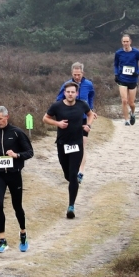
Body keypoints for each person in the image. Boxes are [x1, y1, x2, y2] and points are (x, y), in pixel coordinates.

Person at [0, 106, 34, 253]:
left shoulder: (17, 133)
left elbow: (30, 152)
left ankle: (23, 234)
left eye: (0, 118)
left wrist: (16, 155)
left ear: (7, 117)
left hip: (14, 174)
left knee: (17, 206)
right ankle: (2, 241)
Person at [44, 82, 91, 218]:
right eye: (68, 92)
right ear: (64, 93)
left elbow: (90, 114)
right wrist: (57, 123)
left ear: (77, 93)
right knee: (67, 175)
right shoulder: (57, 106)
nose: (70, 94)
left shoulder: (82, 104)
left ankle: (71, 206)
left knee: (72, 175)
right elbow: (45, 118)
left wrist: (88, 125)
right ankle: (73, 180)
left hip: (77, 144)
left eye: (73, 92)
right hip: (62, 144)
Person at [55, 62, 96, 180]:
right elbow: (58, 101)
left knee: (82, 144)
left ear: (82, 73)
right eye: (74, 74)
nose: (77, 77)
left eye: (78, 74)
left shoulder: (88, 84)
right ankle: (71, 168)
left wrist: (91, 110)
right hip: (70, 120)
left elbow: (91, 97)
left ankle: (80, 172)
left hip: (83, 120)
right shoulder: (67, 86)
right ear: (72, 73)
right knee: (71, 145)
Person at [113, 34, 139, 126]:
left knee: (131, 103)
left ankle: (133, 113)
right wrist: (116, 74)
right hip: (122, 78)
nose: (125, 43)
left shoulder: (136, 52)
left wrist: (138, 72)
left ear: (130, 42)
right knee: (124, 100)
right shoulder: (118, 53)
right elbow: (115, 64)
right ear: (122, 42)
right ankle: (126, 120)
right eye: (124, 42)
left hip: (132, 79)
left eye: (127, 41)